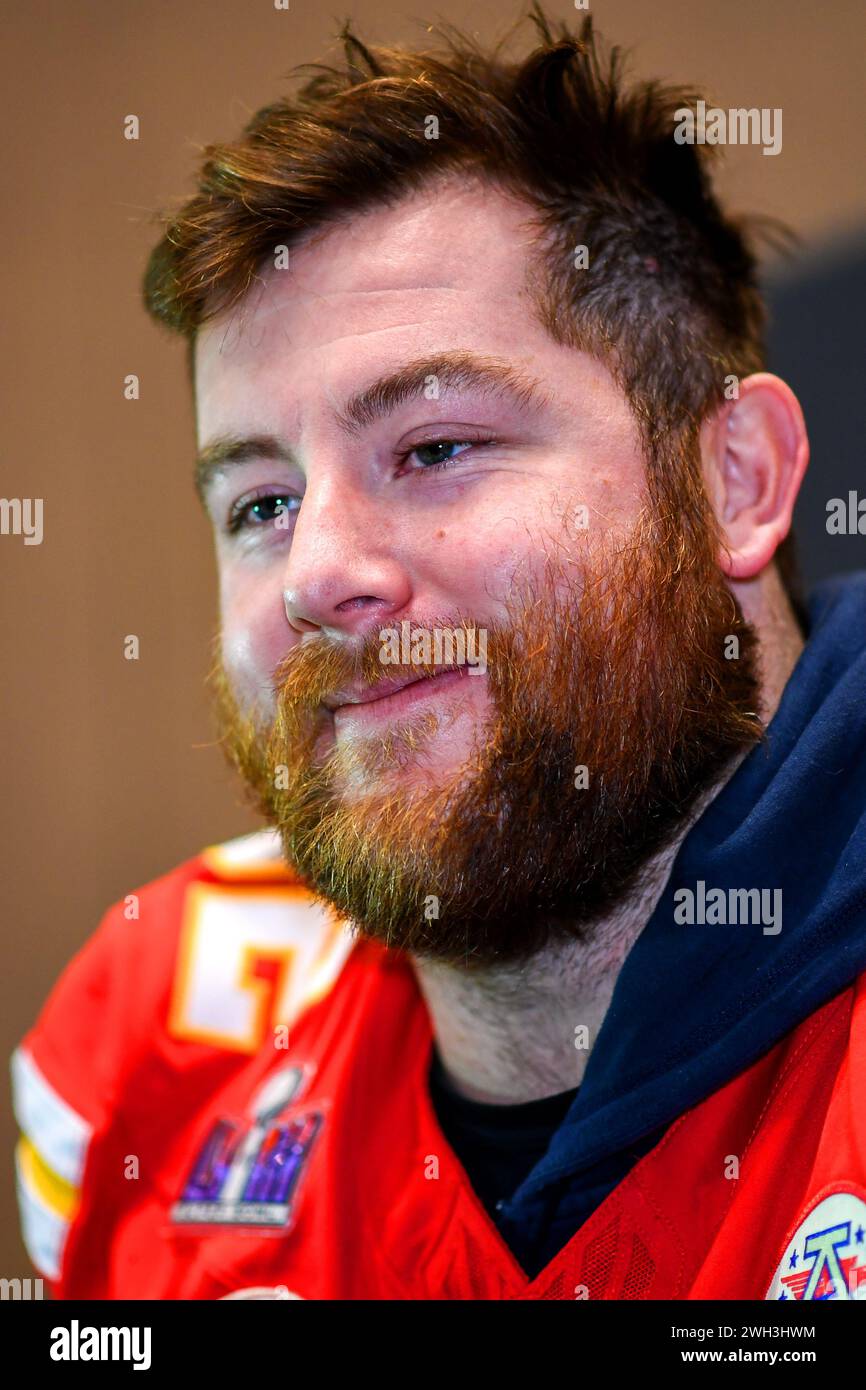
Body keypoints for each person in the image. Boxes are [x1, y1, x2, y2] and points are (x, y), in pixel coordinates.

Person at [12, 8, 866, 1300]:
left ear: (734, 481)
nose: (314, 576)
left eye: (433, 448)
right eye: (258, 504)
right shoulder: (148, 1057)